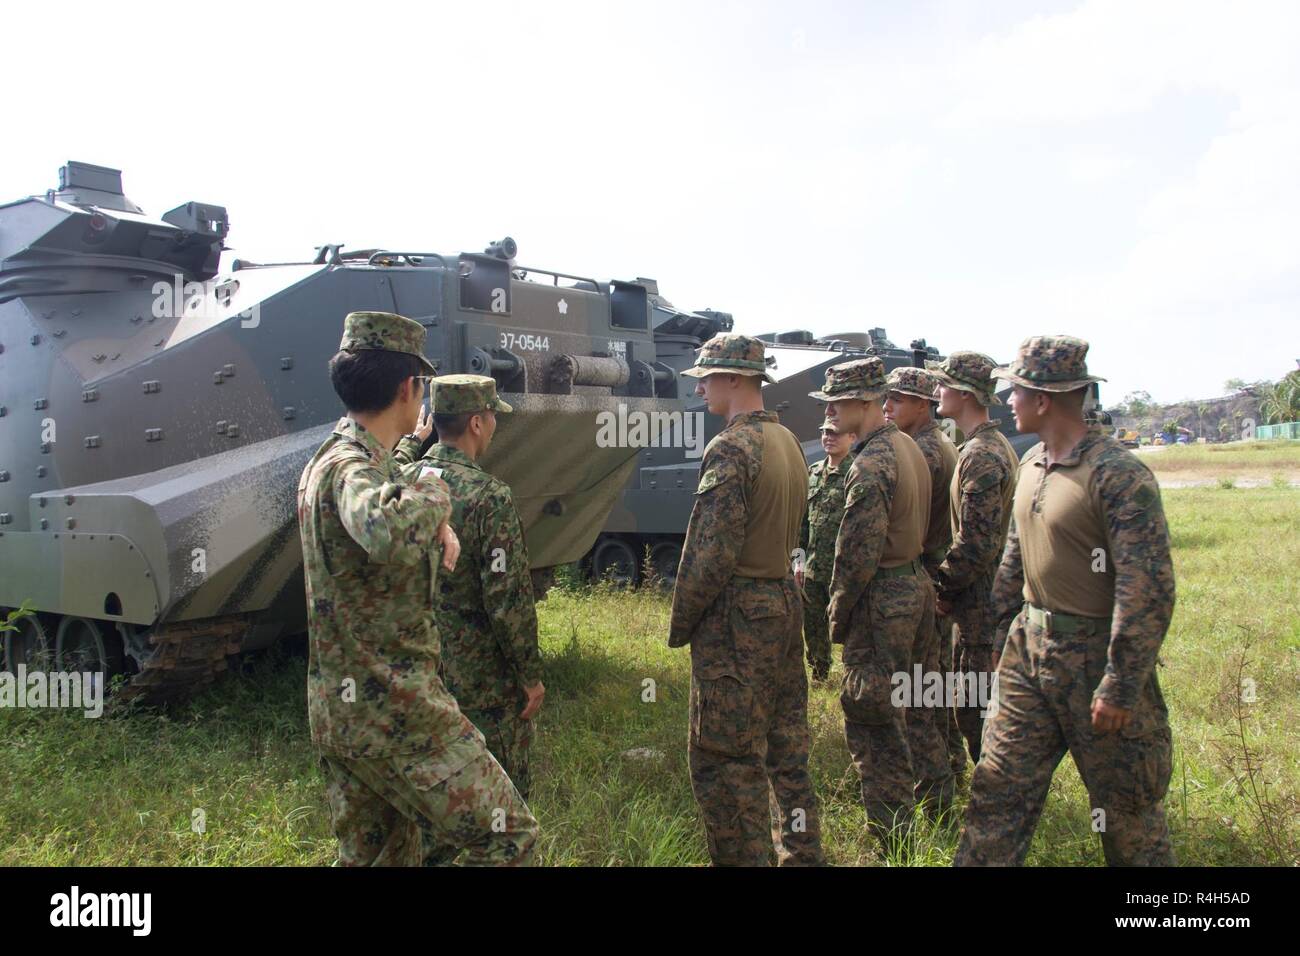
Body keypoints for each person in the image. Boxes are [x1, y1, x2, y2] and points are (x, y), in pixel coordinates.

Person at [298, 311, 536, 867]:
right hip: (399, 713)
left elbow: (377, 516)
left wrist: (420, 487)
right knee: (510, 838)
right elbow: (383, 529)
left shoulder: (334, 462)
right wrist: (432, 490)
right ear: (410, 387)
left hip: (344, 713)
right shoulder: (353, 469)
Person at [954, 336, 1176, 866]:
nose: (1007, 399)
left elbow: (1147, 588)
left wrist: (1121, 684)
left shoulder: (1118, 475)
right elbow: (1015, 554)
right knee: (997, 792)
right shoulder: (1031, 463)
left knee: (1126, 816)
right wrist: (997, 634)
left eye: (1015, 390)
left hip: (1095, 661)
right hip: (1027, 656)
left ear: (1043, 399)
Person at [668, 333, 824, 867]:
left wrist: (681, 623)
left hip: (738, 621)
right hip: (783, 603)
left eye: (708, 377)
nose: (703, 388)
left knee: (725, 762)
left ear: (736, 379)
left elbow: (710, 553)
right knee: (787, 749)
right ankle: (804, 854)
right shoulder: (788, 442)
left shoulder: (732, 447)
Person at [394, 374, 545, 803]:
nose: (495, 425)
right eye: (493, 415)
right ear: (477, 423)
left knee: (432, 795)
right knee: (499, 800)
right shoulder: (488, 496)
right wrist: (529, 675)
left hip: (418, 673)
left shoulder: (400, 480)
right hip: (482, 684)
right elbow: (508, 600)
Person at [818, 358, 949, 850]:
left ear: (866, 402)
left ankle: (895, 841)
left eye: (838, 401)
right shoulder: (908, 447)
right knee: (917, 705)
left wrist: (838, 614)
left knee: (875, 723)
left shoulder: (871, 463)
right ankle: (939, 805)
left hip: (881, 601)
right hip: (913, 587)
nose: (831, 411)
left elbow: (856, 556)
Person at [927, 352, 1019, 766]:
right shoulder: (983, 446)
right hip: (980, 601)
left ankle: (996, 795)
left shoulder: (981, 454)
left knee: (977, 711)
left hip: (982, 604)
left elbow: (977, 541)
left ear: (964, 394)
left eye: (943, 384)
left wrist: (943, 586)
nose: (937, 391)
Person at [884, 365, 962, 784]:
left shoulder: (925, 451)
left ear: (922, 402)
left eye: (897, 398)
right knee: (932, 680)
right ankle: (949, 764)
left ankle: (937, 776)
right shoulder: (932, 443)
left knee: (920, 687)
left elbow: (914, 521)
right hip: (933, 570)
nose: (887, 406)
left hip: (926, 570)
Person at [795, 420, 859, 684]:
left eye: (834, 432)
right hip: (811, 568)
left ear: (852, 436)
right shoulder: (813, 472)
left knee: (849, 626)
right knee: (813, 626)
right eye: (823, 432)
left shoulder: (856, 472)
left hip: (841, 571)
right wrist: (797, 562)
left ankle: (851, 676)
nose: (827, 437)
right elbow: (802, 524)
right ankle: (819, 674)